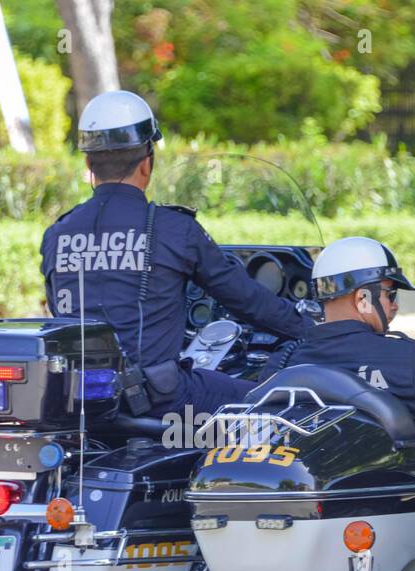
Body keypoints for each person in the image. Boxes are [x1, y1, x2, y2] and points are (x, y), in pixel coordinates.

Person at [40, 90, 309, 417]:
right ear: (147, 163)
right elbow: (248, 301)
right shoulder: (174, 229)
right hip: (161, 401)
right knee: (286, 400)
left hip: (80, 402)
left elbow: (61, 314)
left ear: (87, 162)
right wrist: (317, 330)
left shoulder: (57, 234)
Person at [274, 236, 415, 441]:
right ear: (362, 298)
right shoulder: (407, 359)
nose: (394, 305)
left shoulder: (285, 362)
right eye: (390, 294)